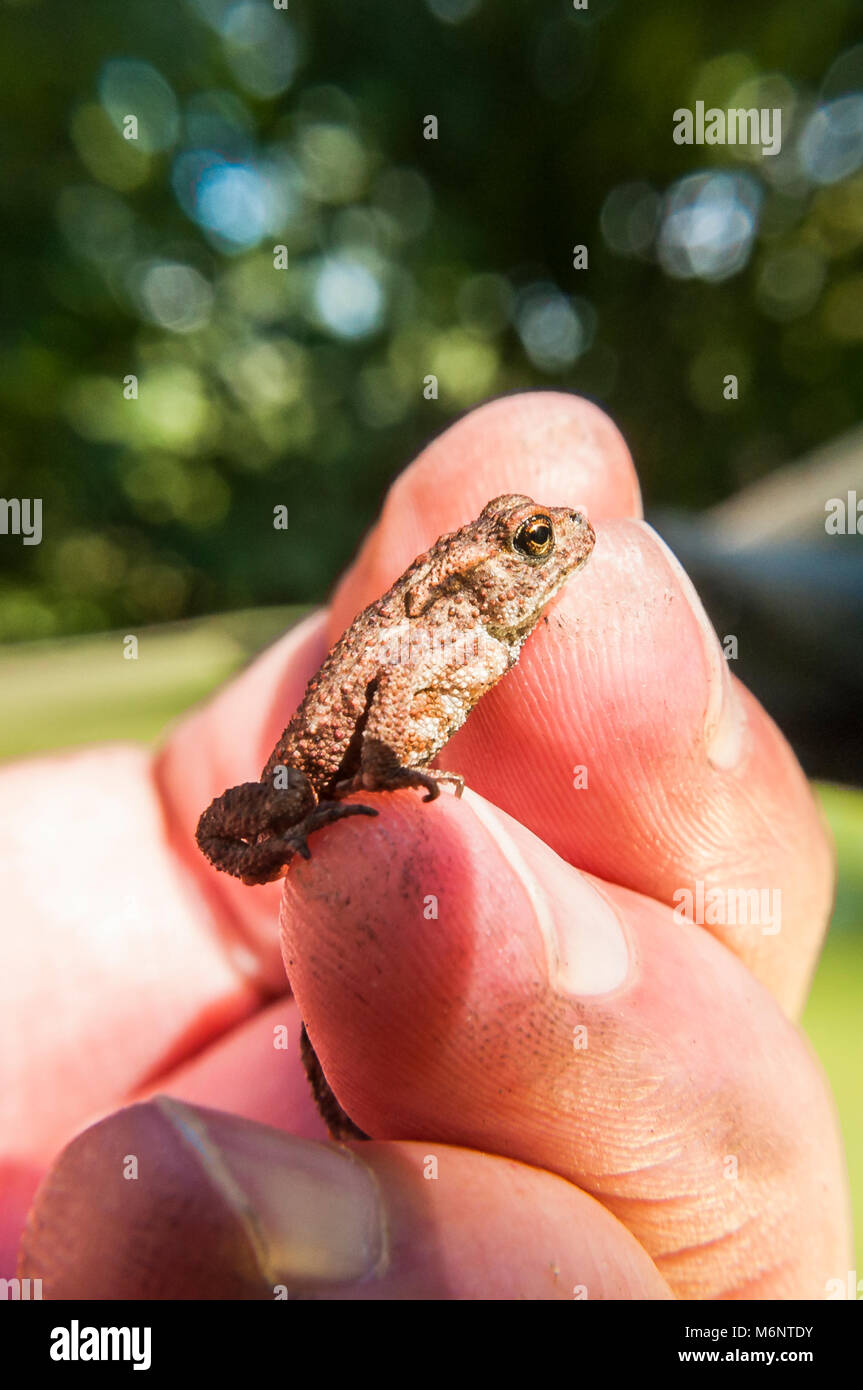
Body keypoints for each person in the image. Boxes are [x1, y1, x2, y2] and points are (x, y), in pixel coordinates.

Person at [6, 393, 851, 1298]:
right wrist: (329, 812)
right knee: (256, 823)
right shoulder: (442, 623)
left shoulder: (487, 620)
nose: (552, 546)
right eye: (528, 542)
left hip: (351, 841)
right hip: (303, 785)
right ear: (488, 567)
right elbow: (378, 721)